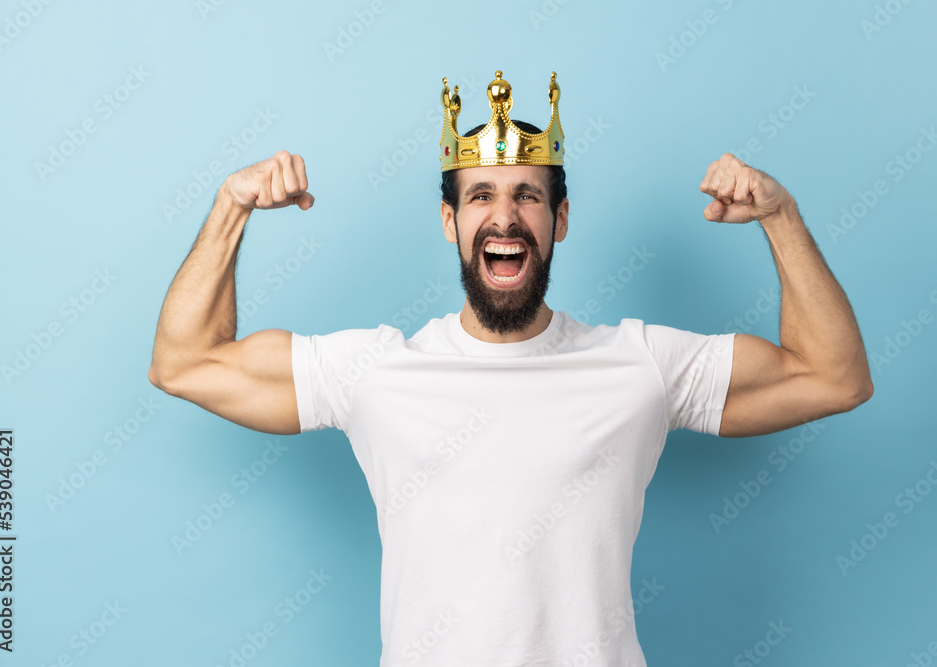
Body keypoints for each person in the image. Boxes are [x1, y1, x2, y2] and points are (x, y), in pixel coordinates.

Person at [149, 70, 873, 666]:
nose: (504, 215)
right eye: (481, 195)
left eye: (528, 194)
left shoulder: (639, 364)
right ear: (449, 221)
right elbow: (185, 362)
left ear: (560, 219)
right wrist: (230, 206)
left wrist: (782, 216)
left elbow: (832, 375)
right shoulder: (374, 371)